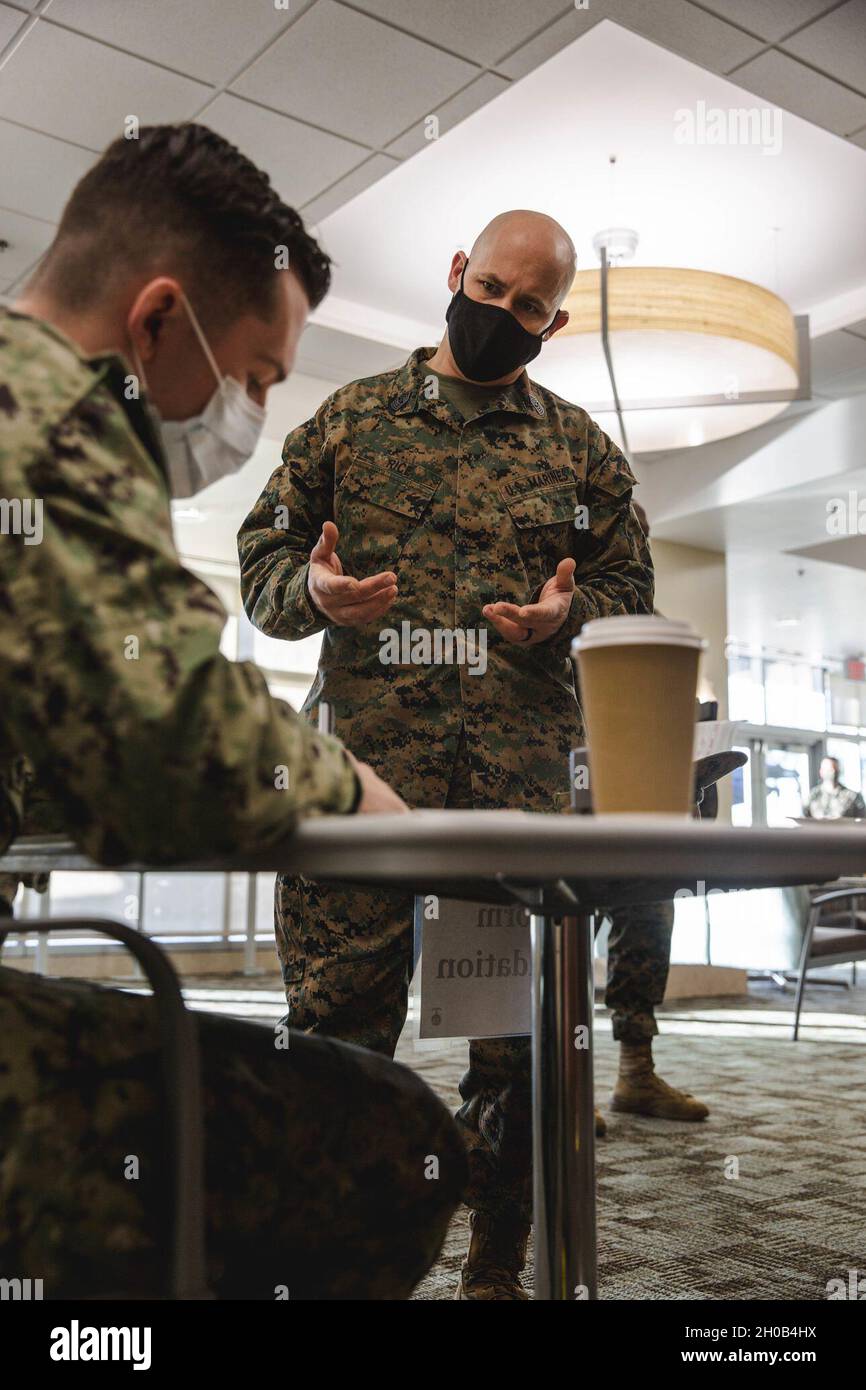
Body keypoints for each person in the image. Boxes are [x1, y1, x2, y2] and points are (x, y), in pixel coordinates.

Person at [0, 123, 465, 1298]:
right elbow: (169, 748)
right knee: (389, 1140)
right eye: (254, 378)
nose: (250, 413)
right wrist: (346, 784)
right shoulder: (51, 418)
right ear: (156, 321)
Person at [238, 209, 653, 1299]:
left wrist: (566, 616)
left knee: (512, 1052)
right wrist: (312, 592)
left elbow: (628, 598)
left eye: (529, 308)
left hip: (508, 810)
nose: (502, 316)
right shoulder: (349, 423)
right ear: (458, 270)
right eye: (493, 289)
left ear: (553, 321)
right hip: (365, 801)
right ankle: (326, 1267)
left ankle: (495, 1266)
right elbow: (263, 557)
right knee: (334, 1045)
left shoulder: (574, 451)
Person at [597, 499, 709, 1126]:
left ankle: (635, 1072)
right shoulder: (544, 609)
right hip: (558, 803)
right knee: (549, 934)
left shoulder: (651, 624)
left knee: (646, 921)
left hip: (637, 812)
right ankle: (550, 1079)